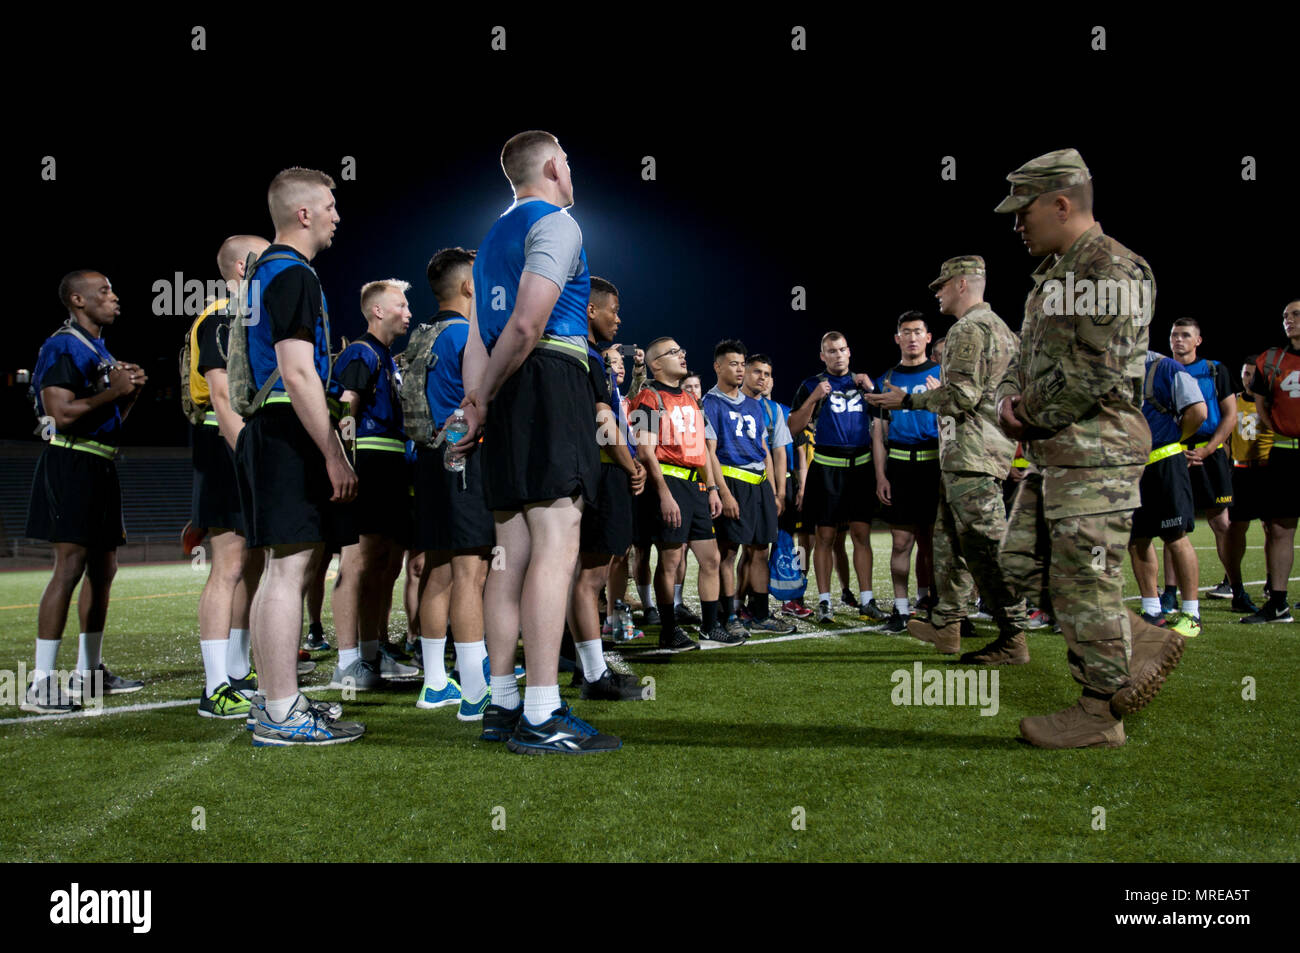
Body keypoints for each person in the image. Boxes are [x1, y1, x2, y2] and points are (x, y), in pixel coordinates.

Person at [992, 148, 1183, 748]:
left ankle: (1100, 711)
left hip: (1095, 453)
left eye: (1024, 211)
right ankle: (1138, 639)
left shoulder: (1112, 270)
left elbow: (1098, 371)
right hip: (1054, 452)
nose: (1017, 223)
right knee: (1017, 566)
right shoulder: (1053, 277)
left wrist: (1026, 414)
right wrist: (1005, 399)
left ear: (1062, 203)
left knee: (1084, 580)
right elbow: (1021, 361)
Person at [455, 130, 619, 754]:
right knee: (557, 543)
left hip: (504, 391)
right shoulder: (557, 222)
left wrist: (477, 403)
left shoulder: (490, 240)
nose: (571, 171)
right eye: (569, 161)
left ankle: (500, 704)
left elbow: (480, 340)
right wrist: (489, 394)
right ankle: (543, 712)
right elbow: (527, 324)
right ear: (552, 166)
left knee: (509, 552)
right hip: (548, 380)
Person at [236, 167, 364, 746]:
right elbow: (296, 370)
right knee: (289, 571)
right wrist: (334, 452)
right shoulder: (292, 273)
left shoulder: (267, 273)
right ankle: (282, 713)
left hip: (272, 427)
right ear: (303, 214)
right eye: (330, 206)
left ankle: (275, 701)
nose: (338, 215)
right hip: (288, 426)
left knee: (278, 570)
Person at [872, 260, 1029, 662]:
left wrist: (907, 400)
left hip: (971, 455)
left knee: (987, 547)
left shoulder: (967, 329)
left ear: (962, 284)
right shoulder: (1004, 331)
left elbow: (961, 397)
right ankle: (948, 625)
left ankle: (1014, 635)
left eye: (942, 285)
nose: (937, 292)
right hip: (983, 451)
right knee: (952, 543)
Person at [23, 271, 146, 712]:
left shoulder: (98, 348)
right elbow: (59, 413)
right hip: (69, 459)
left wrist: (127, 395)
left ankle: (88, 672)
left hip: (99, 462)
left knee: (104, 568)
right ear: (77, 300)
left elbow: (108, 418)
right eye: (104, 291)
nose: (114, 297)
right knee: (69, 566)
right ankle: (39, 683)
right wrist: (111, 391)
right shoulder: (63, 344)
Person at [412, 247, 493, 716]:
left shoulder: (425, 335)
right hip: (461, 457)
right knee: (470, 573)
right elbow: (476, 401)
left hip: (427, 460)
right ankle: (476, 689)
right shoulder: (466, 334)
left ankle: (436, 682)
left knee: (439, 571)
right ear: (468, 288)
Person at [192, 236, 269, 718]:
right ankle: (214, 684)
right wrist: (248, 454)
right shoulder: (224, 313)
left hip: (239, 443)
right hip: (225, 445)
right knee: (229, 565)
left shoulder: (245, 314)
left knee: (252, 563)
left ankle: (238, 670)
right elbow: (222, 397)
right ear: (243, 267)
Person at [327, 279, 417, 691]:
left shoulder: (385, 356)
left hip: (391, 463)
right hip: (369, 460)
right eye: (400, 305)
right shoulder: (361, 351)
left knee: (385, 562)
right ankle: (347, 662)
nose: (408, 312)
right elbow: (346, 406)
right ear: (377, 311)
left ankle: (372, 649)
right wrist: (344, 462)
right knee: (358, 561)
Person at [567, 276, 647, 699]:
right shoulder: (589, 356)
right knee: (589, 577)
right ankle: (594, 675)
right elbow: (603, 421)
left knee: (583, 575)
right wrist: (630, 462)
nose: (619, 319)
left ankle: (585, 666)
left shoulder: (583, 354)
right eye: (613, 310)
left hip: (587, 473)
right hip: (600, 472)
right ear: (591, 310)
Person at [632, 337, 728, 647]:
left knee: (711, 558)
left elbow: (700, 448)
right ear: (656, 364)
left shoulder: (692, 400)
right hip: (668, 484)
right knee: (670, 560)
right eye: (673, 353)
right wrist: (663, 493)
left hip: (695, 487)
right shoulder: (648, 397)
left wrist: (712, 488)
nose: (682, 355)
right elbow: (645, 450)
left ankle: (710, 627)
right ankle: (669, 631)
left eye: (681, 350)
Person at [788, 332, 884, 623]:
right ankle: (825, 602)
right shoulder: (810, 385)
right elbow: (793, 427)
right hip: (827, 467)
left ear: (849, 352)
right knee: (825, 537)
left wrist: (872, 390)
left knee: (861, 535)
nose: (838, 355)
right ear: (822, 356)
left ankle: (867, 600)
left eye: (842, 349)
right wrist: (814, 398)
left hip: (860, 466)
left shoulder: (865, 382)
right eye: (831, 351)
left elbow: (884, 419)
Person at [701, 340, 796, 636]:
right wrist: (723, 492)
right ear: (717, 367)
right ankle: (728, 616)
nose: (740, 369)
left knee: (759, 551)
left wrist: (773, 491)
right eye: (733, 363)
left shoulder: (756, 405)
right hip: (733, 482)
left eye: (742, 364)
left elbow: (764, 450)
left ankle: (760, 614)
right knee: (728, 553)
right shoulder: (710, 403)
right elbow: (709, 451)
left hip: (758, 485)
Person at [869, 311, 940, 633]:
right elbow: (879, 435)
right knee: (901, 543)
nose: (912, 337)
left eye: (918, 331)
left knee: (935, 544)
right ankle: (900, 610)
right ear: (897, 338)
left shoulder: (942, 375)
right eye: (906, 332)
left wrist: (938, 396)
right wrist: (881, 476)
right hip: (901, 467)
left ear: (927, 337)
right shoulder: (888, 379)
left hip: (935, 465)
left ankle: (937, 607)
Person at [1128, 352, 1206, 638]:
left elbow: (1198, 411)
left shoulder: (1165, 366)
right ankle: (1151, 610)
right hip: (1132, 466)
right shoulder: (1113, 364)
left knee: (1175, 535)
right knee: (1138, 539)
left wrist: (1174, 441)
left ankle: (1191, 614)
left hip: (1164, 462)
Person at [1163, 318, 1235, 607]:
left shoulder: (1214, 370)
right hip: (1173, 454)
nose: (1178, 340)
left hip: (1209, 453)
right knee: (1173, 524)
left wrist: (1208, 449)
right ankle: (1169, 592)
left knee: (1221, 522)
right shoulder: (1162, 370)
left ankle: (1234, 585)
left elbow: (1230, 415)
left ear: (1198, 341)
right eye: (1174, 335)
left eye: (1185, 335)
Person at [1243, 299, 1300, 623]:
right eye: (1285, 316)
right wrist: (1276, 425)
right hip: (1286, 452)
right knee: (1279, 528)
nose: (1289, 320)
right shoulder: (1273, 359)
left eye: (1296, 315)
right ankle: (1277, 603)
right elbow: (1261, 401)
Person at [1223, 355, 1272, 615]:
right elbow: (1226, 433)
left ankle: (1272, 583)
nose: (1249, 379)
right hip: (1241, 472)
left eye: (1254, 374)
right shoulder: (1234, 401)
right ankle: (1235, 586)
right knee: (1236, 529)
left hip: (1267, 471)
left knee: (1273, 529)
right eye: (1245, 374)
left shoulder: (1271, 403)